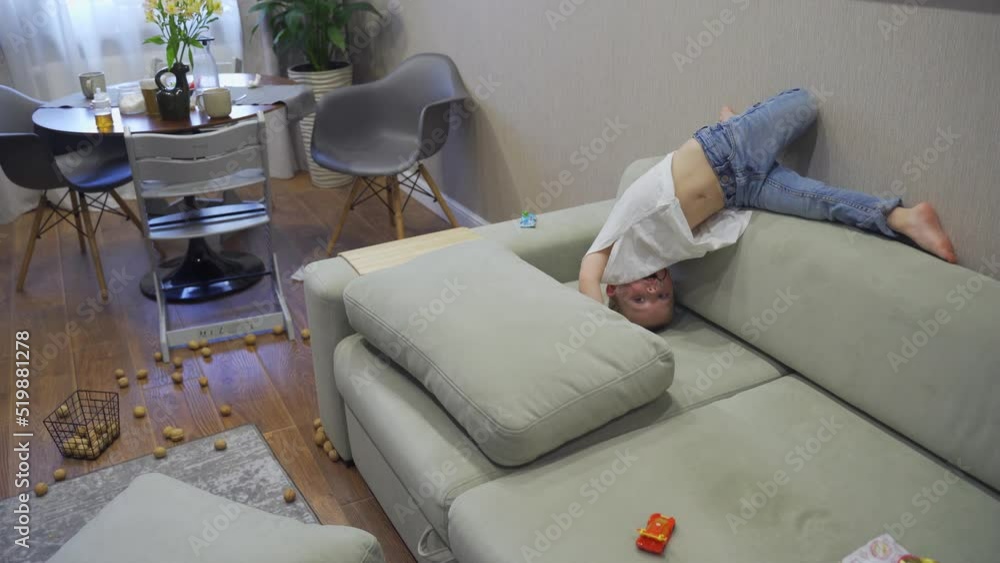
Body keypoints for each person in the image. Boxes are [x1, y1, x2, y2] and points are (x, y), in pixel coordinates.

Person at [578, 88, 956, 329]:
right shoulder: (660, 253)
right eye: (661, 297)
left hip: (724, 151)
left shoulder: (613, 256)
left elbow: (587, 277)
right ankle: (903, 217)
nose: (652, 289)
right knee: (819, 201)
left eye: (640, 298)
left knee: (805, 104)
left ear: (614, 290)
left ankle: (737, 121)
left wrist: (606, 333)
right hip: (742, 191)